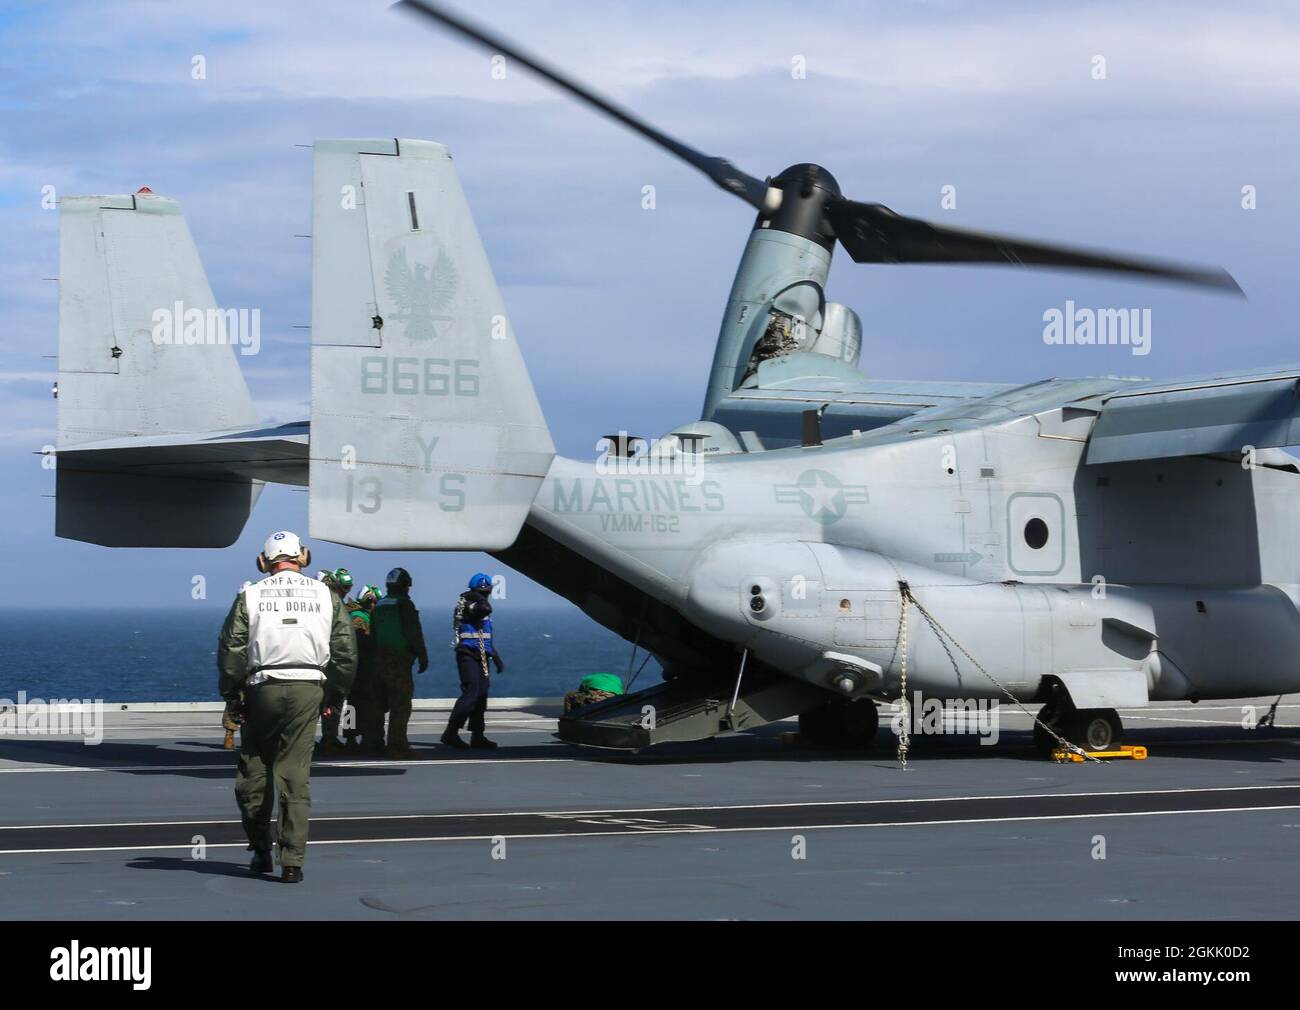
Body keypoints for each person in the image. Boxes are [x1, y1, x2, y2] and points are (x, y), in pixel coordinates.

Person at [218, 531, 356, 884]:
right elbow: (344, 652)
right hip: (309, 687)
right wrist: (333, 696)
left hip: (262, 688)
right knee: (296, 774)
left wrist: (232, 696)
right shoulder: (326, 595)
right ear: (303, 557)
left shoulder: (250, 594)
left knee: (254, 770)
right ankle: (292, 862)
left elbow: (232, 650)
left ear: (263, 562)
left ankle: (261, 850)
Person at [369, 567, 428, 759]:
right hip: (398, 660)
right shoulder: (405, 605)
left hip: (378, 658)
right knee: (400, 704)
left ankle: (374, 743)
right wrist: (422, 655)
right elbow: (413, 632)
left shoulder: (379, 605)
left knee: (377, 704)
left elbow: (373, 632)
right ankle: (397, 746)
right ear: (404, 586)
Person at [442, 572, 505, 750]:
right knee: (472, 691)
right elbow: (485, 609)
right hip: (467, 653)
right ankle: (451, 732)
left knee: (482, 694)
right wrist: (475, 595)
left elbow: (484, 637)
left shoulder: (477, 602)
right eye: (484, 592)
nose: (486, 596)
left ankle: (478, 735)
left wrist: (495, 655)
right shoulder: (468, 604)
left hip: (482, 655)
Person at [317, 568, 357, 755]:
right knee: (332, 703)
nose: (345, 591)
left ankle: (331, 738)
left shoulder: (341, 607)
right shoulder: (334, 607)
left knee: (337, 704)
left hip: (328, 664)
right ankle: (329, 740)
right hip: (328, 665)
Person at [348, 585, 383, 754]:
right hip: (362, 667)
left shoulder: (365, 617)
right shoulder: (358, 619)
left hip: (361, 666)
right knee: (359, 704)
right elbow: (362, 642)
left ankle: (355, 738)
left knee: (354, 704)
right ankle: (353, 738)